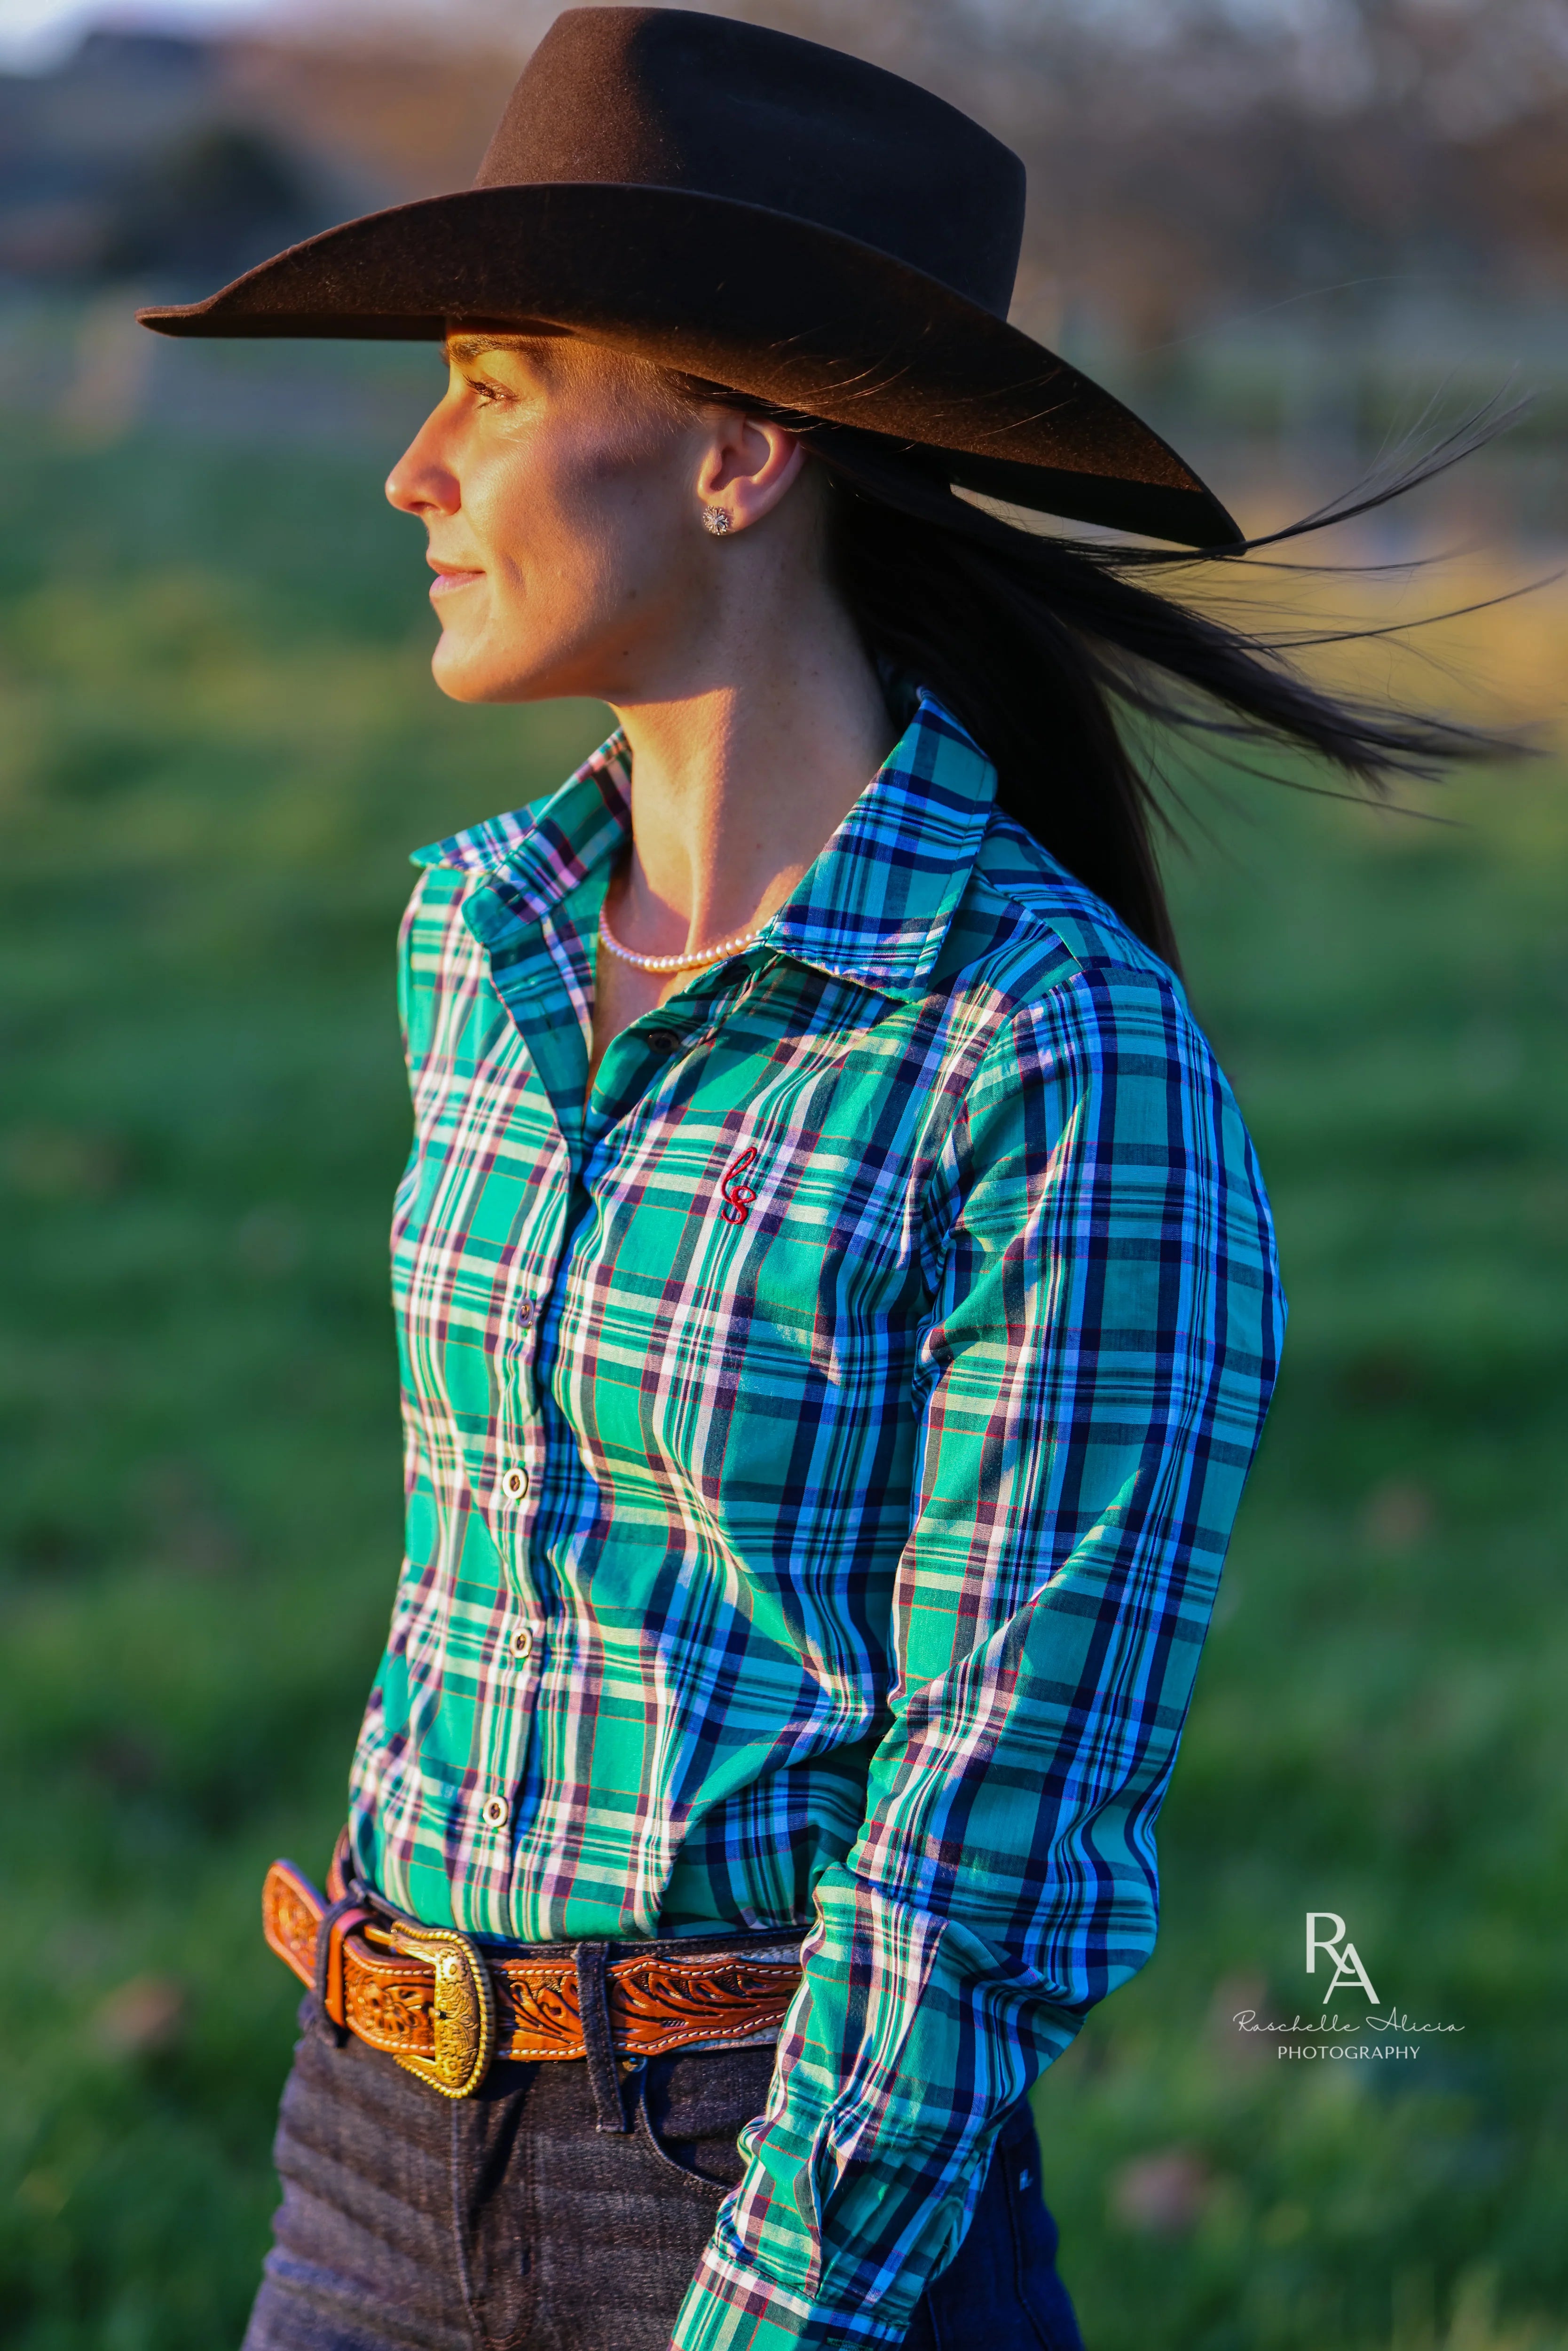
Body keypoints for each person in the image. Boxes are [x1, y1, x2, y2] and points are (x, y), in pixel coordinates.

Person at [138, 11, 1493, 2348]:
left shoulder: (1054, 1055)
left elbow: (997, 1837)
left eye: (490, 379)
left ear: (741, 454)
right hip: (361, 2142)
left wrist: (771, 2301)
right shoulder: (479, 945)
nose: (414, 469)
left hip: (768, 2196)